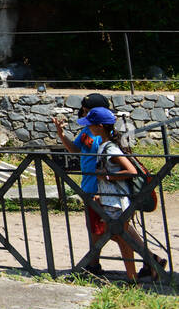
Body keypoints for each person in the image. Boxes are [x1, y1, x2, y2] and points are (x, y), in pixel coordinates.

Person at [78, 106, 154, 283]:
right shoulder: (104, 145)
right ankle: (140, 271)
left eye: (90, 124)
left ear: (99, 126)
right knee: (119, 236)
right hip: (110, 200)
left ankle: (137, 274)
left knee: (121, 236)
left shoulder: (109, 148)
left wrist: (107, 176)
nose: (87, 127)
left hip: (116, 201)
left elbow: (131, 170)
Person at [54, 92, 113, 277]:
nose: (83, 113)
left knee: (112, 229)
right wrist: (61, 135)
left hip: (99, 187)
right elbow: (76, 150)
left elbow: (105, 158)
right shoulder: (87, 130)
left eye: (86, 110)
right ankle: (94, 264)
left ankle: (93, 265)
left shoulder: (103, 132)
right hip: (88, 184)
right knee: (99, 227)